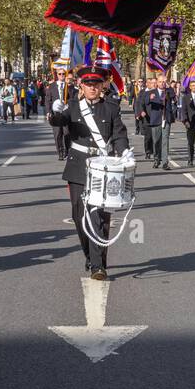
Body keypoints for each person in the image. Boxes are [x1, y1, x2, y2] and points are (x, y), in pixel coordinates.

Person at [49, 69, 131, 281]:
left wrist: (124, 152)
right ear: (81, 85)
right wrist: (54, 112)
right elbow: (59, 121)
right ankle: (89, 254)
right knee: (79, 216)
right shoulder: (74, 107)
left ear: (103, 85)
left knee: (100, 217)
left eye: (97, 83)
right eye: (88, 83)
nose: (93, 87)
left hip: (102, 167)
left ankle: (98, 265)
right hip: (78, 166)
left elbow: (119, 134)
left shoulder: (111, 108)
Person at [47, 67, 73, 160]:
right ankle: (60, 153)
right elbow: (48, 100)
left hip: (65, 113)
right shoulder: (52, 86)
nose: (61, 75)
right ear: (57, 75)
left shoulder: (68, 86)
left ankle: (67, 150)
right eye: (60, 74)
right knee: (58, 134)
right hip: (55, 113)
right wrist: (48, 112)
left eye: (63, 74)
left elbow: (71, 99)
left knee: (67, 133)